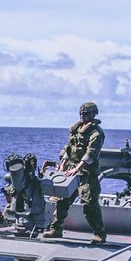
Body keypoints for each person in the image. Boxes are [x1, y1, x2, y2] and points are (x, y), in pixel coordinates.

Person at [46, 101, 106, 243]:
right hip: (71, 172)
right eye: (81, 114)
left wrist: (77, 169)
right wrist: (64, 165)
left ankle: (99, 234)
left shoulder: (96, 133)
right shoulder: (76, 130)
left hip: (87, 174)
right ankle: (56, 229)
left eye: (86, 114)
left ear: (93, 114)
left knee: (89, 204)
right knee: (62, 200)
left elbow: (90, 154)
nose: (82, 116)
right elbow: (70, 149)